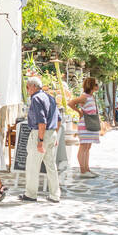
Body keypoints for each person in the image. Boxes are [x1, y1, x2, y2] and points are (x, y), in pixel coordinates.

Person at [20, 75, 61, 203]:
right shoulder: (50, 97)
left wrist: (40, 140)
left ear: (33, 87)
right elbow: (59, 119)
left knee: (33, 165)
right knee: (51, 166)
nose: (27, 90)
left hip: (40, 133)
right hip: (51, 133)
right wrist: (54, 135)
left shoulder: (36, 99)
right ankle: (55, 195)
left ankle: (31, 194)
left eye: (27, 87)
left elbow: (41, 122)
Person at [68, 77, 101, 178]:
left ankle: (87, 169)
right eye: (96, 84)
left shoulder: (91, 97)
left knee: (87, 147)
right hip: (85, 124)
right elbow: (71, 103)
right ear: (91, 86)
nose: (97, 86)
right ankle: (83, 170)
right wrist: (79, 112)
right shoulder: (84, 97)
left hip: (90, 123)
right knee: (83, 147)